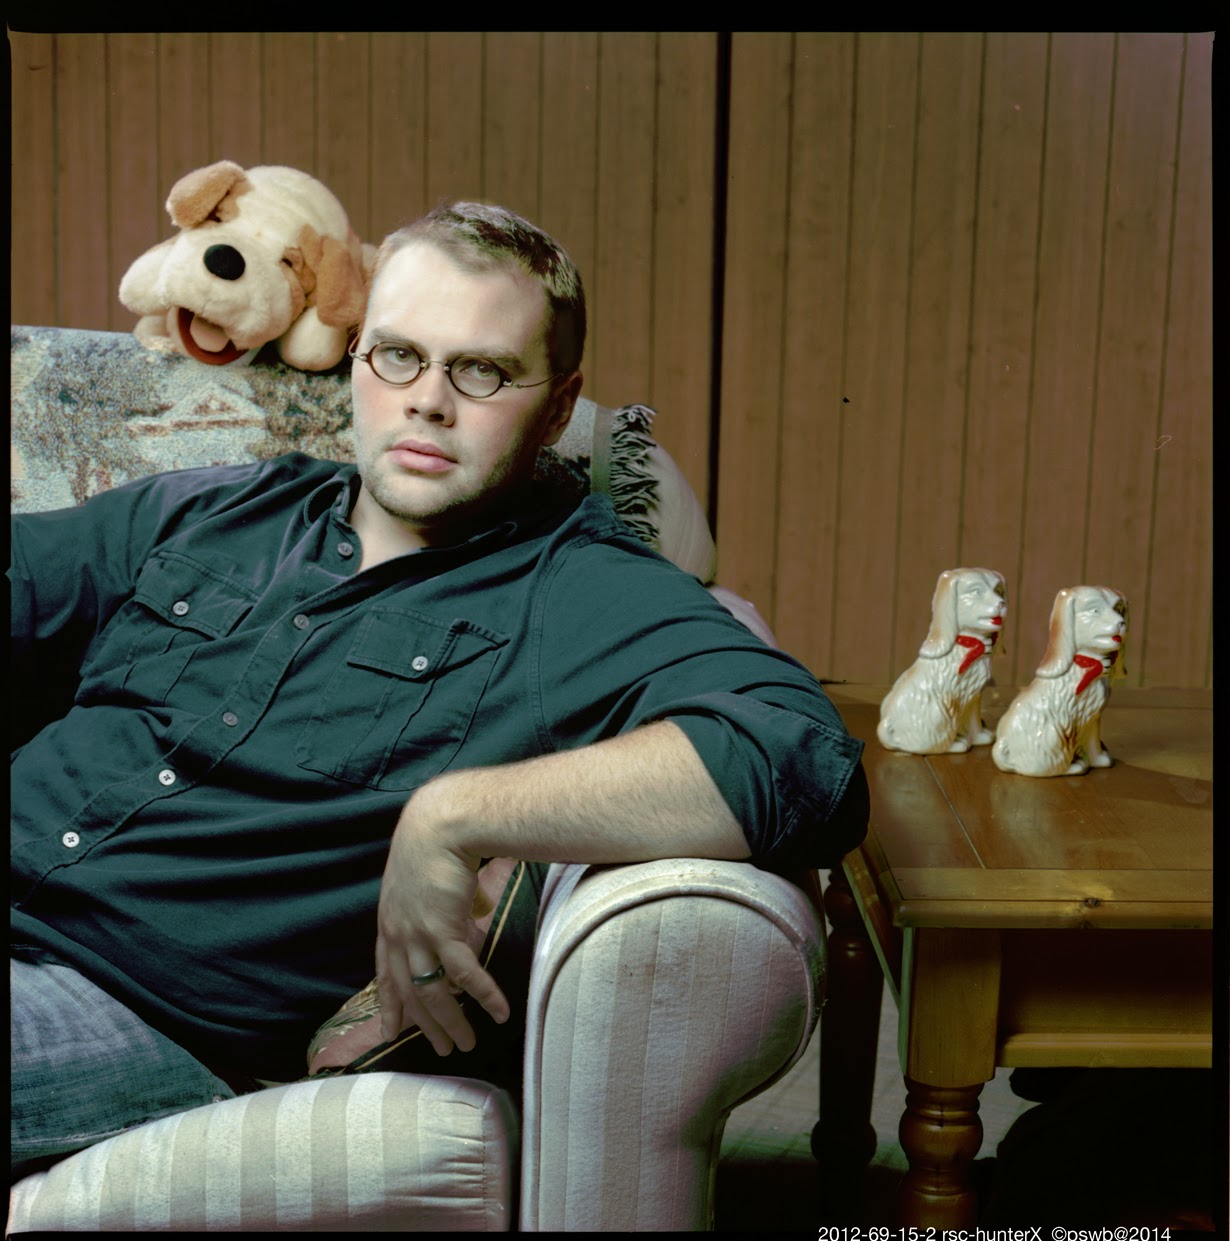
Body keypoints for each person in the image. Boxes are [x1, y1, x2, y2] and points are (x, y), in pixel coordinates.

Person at [10, 201, 868, 1179]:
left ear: (556, 405)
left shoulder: (579, 594)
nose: (427, 399)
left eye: (483, 371)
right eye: (399, 356)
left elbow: (804, 756)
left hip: (134, 1008)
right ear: (355, 361)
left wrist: (454, 813)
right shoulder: (218, 508)